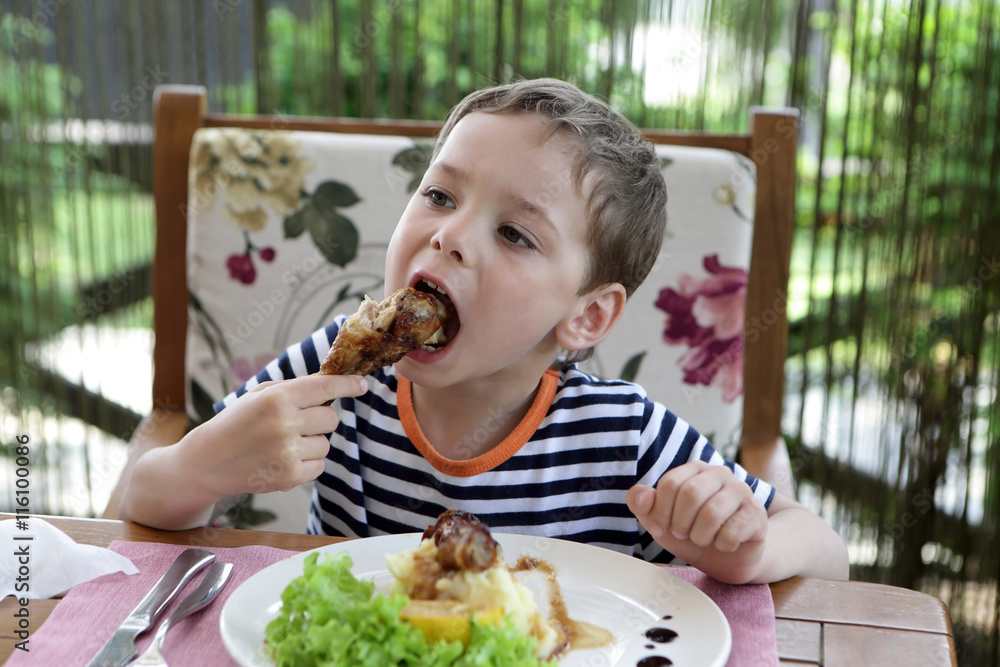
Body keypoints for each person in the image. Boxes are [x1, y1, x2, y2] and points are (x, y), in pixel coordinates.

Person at [119, 78, 848, 584]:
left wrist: (743, 547)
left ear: (587, 315)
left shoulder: (620, 435)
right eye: (439, 194)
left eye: (514, 233)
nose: (451, 237)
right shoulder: (334, 374)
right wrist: (204, 468)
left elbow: (826, 553)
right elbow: (144, 499)